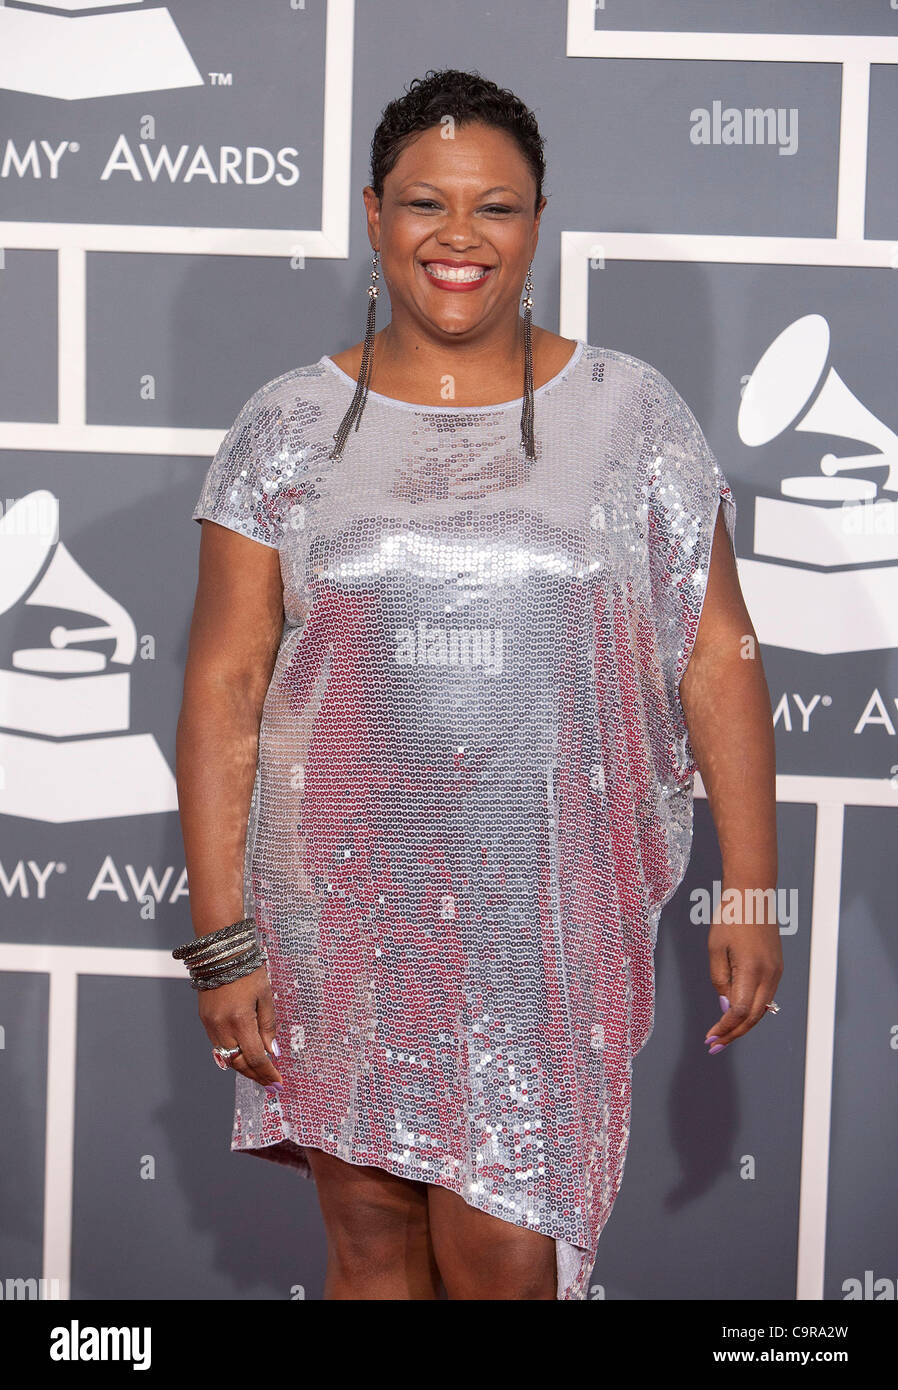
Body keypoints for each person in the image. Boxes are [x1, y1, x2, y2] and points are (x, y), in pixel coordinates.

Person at [175, 68, 781, 1301]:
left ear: (538, 222)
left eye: (494, 207)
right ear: (372, 215)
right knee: (371, 1246)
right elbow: (227, 689)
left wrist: (753, 887)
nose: (459, 236)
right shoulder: (286, 425)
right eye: (424, 203)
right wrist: (225, 936)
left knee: (507, 1255)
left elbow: (716, 654)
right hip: (336, 910)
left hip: (542, 919)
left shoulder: (630, 417)